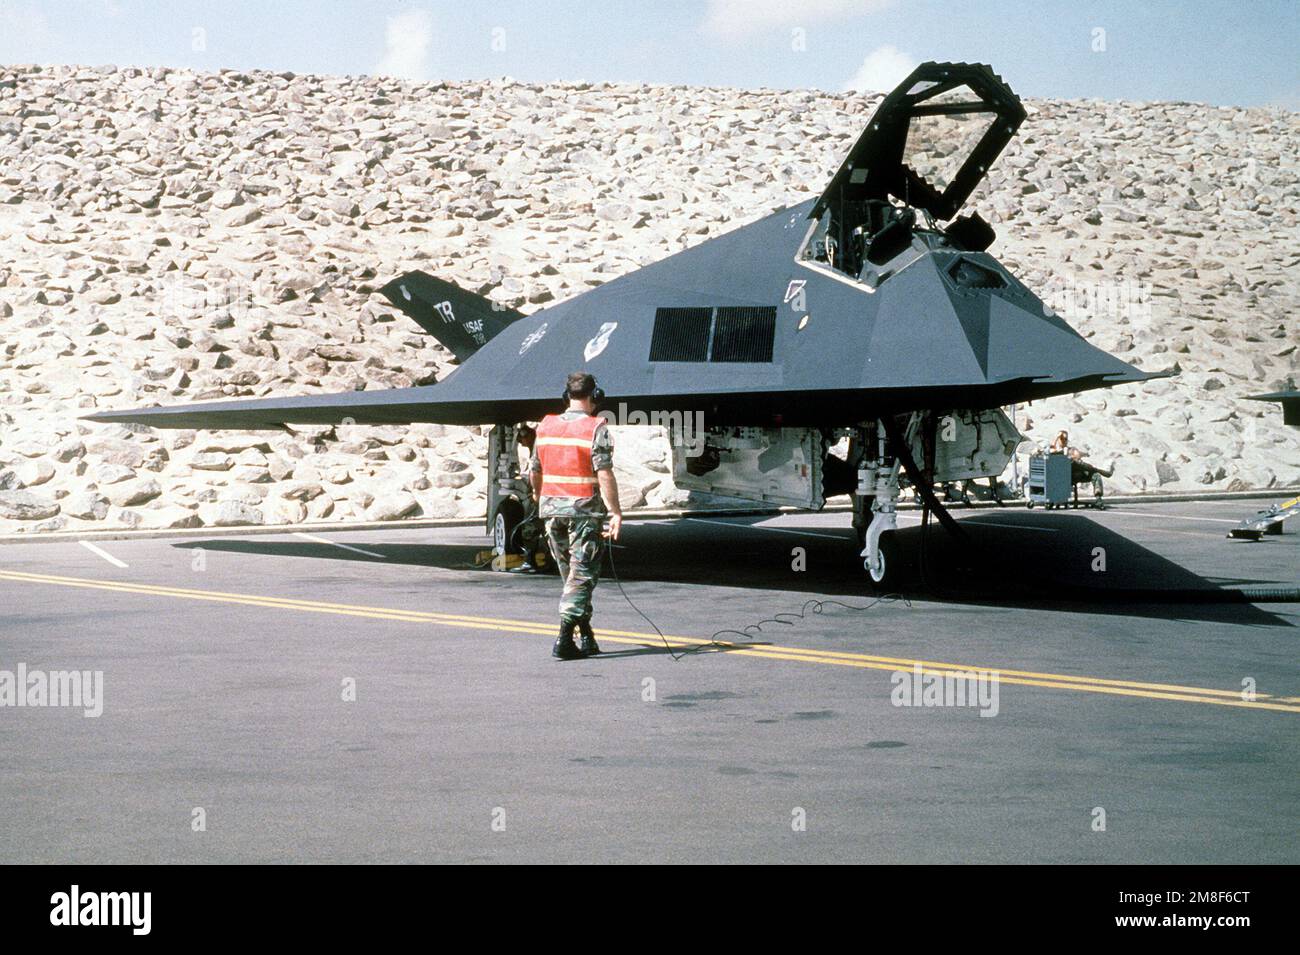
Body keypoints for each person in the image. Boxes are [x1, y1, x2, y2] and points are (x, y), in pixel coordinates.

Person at [531, 372, 622, 660]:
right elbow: (604, 472)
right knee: (581, 578)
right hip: (583, 512)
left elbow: (534, 469)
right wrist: (615, 511)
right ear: (596, 397)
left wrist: (538, 496)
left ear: (566, 396)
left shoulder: (545, 426)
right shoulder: (596, 428)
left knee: (572, 578)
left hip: (551, 512)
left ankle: (587, 636)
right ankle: (564, 638)